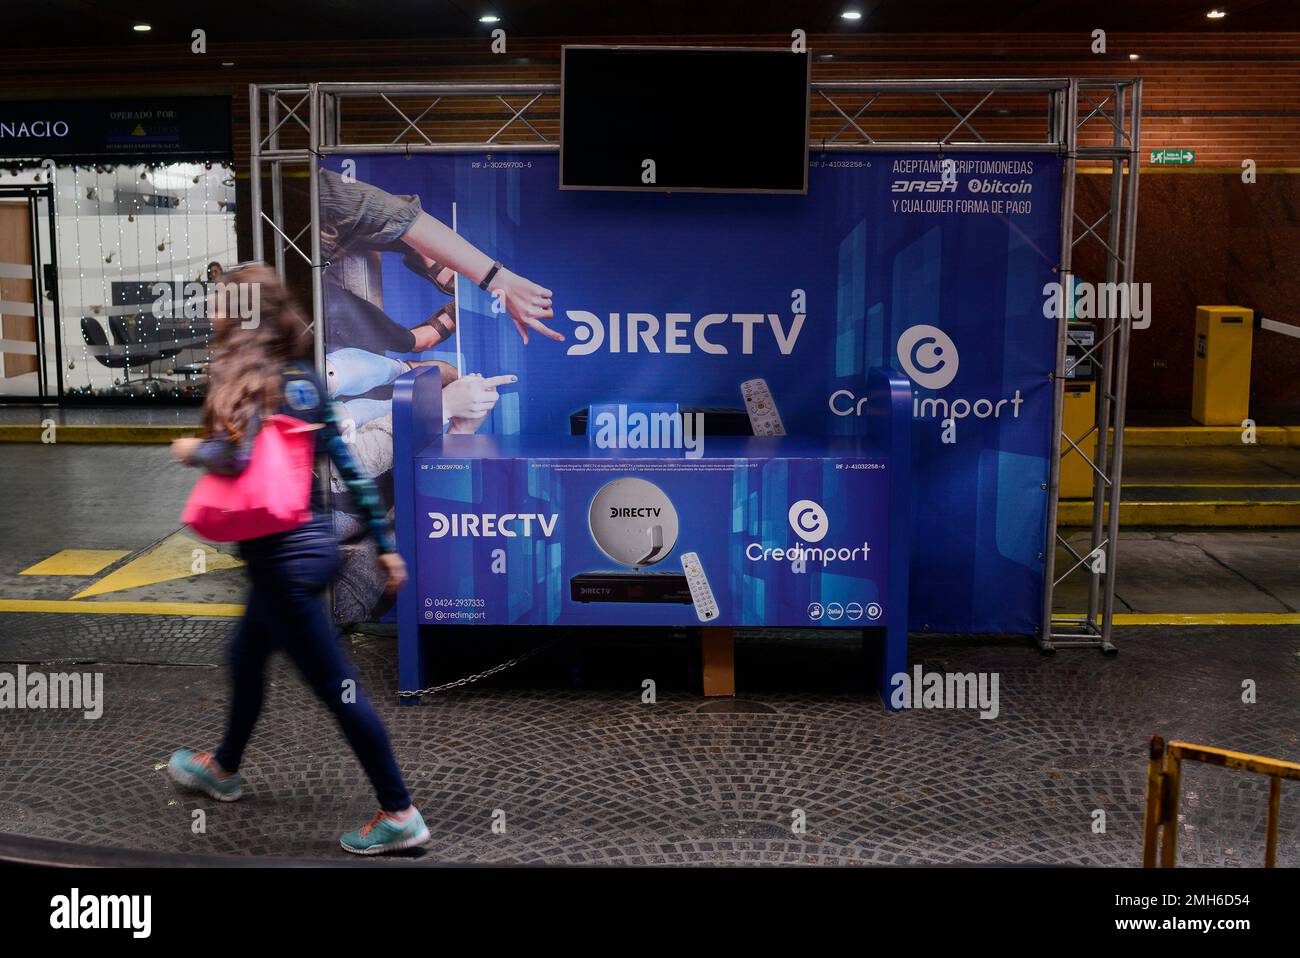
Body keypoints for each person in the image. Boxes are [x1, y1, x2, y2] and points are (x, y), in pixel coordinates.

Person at [166, 263, 429, 856]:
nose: (213, 313)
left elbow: (237, 458)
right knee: (245, 656)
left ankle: (400, 812)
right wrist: (385, 548)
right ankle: (225, 767)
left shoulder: (253, 379)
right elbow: (347, 462)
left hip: (282, 563)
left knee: (339, 690)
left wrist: (192, 449)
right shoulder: (302, 378)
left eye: (221, 303)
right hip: (302, 550)